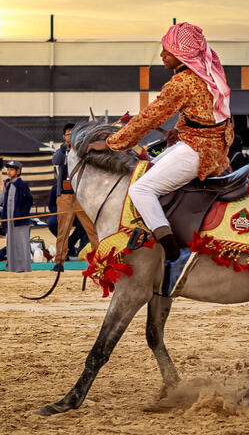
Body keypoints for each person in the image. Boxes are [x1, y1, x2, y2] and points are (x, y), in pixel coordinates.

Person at [91, 22, 233, 261]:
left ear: (181, 55)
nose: (162, 55)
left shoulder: (181, 83)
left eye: (167, 51)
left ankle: (172, 253)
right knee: (150, 166)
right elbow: (200, 112)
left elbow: (149, 117)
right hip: (210, 142)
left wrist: (112, 143)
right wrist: (179, 130)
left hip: (199, 148)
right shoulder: (205, 74)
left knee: (141, 188)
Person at [50, 123, 91, 262]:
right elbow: (56, 161)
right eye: (68, 134)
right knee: (63, 230)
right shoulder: (61, 150)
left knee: (91, 228)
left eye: (73, 134)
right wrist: (63, 149)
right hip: (65, 195)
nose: (70, 136)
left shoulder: (82, 150)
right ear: (63, 136)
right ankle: (59, 261)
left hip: (81, 195)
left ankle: (100, 259)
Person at [0, 161, 34, 272]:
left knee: (21, 244)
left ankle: (23, 268)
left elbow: (29, 201)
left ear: (18, 171)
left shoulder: (22, 185)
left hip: (20, 220)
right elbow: (5, 203)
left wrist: (22, 214)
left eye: (11, 169)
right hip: (10, 220)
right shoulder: (8, 184)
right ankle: (11, 267)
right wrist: (4, 214)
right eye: (8, 169)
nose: (9, 171)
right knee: (11, 244)